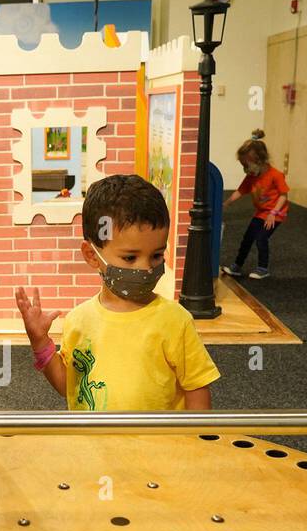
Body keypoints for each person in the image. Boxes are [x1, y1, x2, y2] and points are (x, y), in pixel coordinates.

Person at [15, 174, 219, 411]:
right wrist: (40, 343)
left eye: (156, 255)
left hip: (157, 447)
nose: (146, 268)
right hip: (94, 446)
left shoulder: (176, 321)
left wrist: (197, 441)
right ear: (92, 255)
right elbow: (67, 386)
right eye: (130, 257)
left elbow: (196, 388)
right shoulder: (78, 321)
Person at [221, 130, 289, 280]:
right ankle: (237, 266)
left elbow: (283, 195)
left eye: (247, 165)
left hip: (275, 214)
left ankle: (263, 268)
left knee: (261, 238)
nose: (245, 169)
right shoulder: (251, 176)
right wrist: (226, 203)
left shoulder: (275, 175)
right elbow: (240, 191)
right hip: (261, 212)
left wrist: (274, 213)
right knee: (247, 237)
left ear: (259, 160)